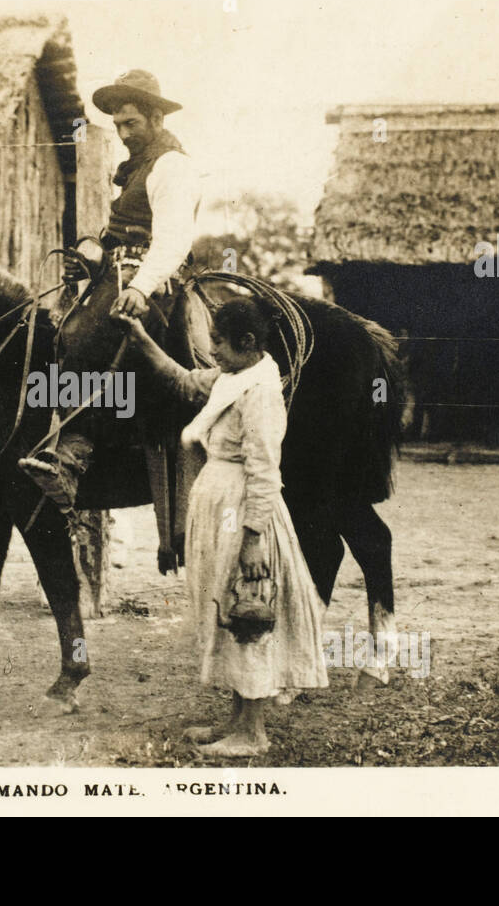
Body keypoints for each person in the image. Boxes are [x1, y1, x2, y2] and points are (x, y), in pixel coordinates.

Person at [114, 298, 328, 757]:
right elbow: (185, 382)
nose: (211, 351)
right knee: (224, 610)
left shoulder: (261, 391)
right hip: (220, 507)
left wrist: (254, 539)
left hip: (244, 512)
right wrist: (140, 338)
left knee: (246, 612)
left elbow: (266, 470)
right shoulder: (233, 377)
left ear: (247, 343)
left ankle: (253, 732)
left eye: (219, 342)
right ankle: (235, 719)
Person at [18, 69, 200, 511]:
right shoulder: (137, 168)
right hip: (117, 274)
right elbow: (119, 232)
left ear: (157, 118)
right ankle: (64, 438)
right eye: (117, 125)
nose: (122, 133)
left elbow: (174, 238)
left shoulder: (172, 165)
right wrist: (92, 248)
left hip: (155, 280)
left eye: (131, 123)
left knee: (86, 338)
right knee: (56, 328)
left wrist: (140, 287)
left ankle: (75, 455)